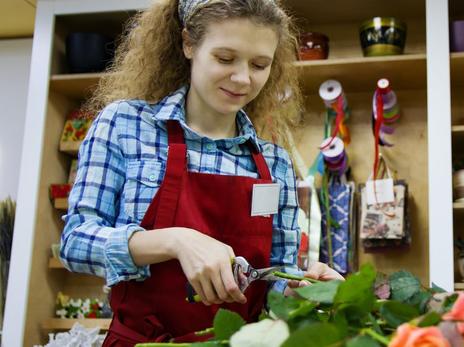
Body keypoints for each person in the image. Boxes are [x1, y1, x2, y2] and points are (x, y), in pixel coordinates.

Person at [60, 0, 343, 344]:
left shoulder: (274, 161)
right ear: (188, 44)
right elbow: (75, 242)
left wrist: (306, 291)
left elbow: (274, 281)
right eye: (225, 58)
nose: (242, 78)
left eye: (259, 64)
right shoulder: (127, 124)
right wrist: (176, 240)